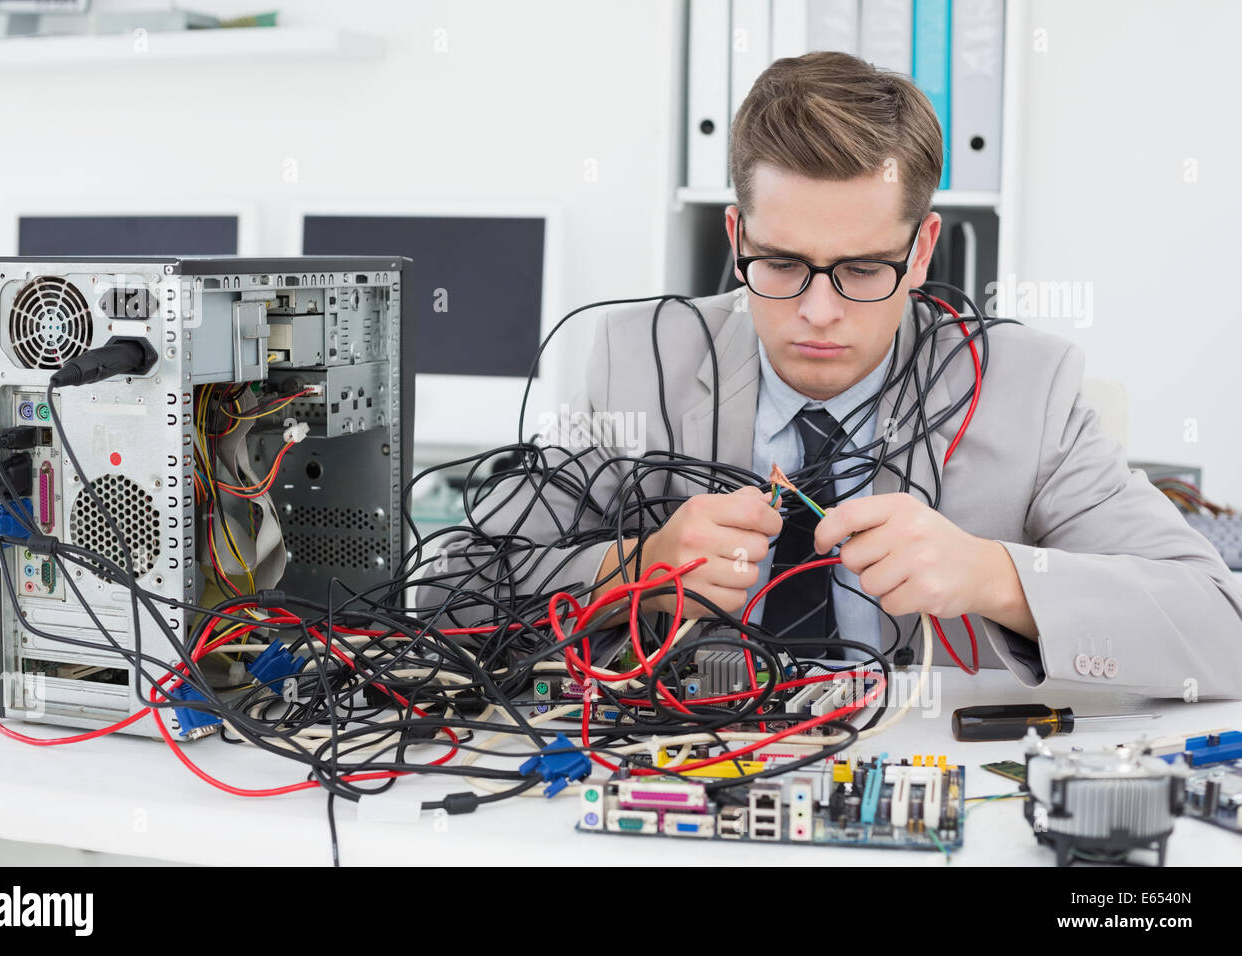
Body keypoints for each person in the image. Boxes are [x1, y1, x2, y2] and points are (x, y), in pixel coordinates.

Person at [421, 51, 1242, 698]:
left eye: (861, 268)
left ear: (922, 250)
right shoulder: (639, 360)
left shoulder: (1032, 389)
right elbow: (447, 589)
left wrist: (995, 578)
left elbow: (1221, 629)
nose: (817, 311)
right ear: (737, 236)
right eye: (779, 263)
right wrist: (635, 568)